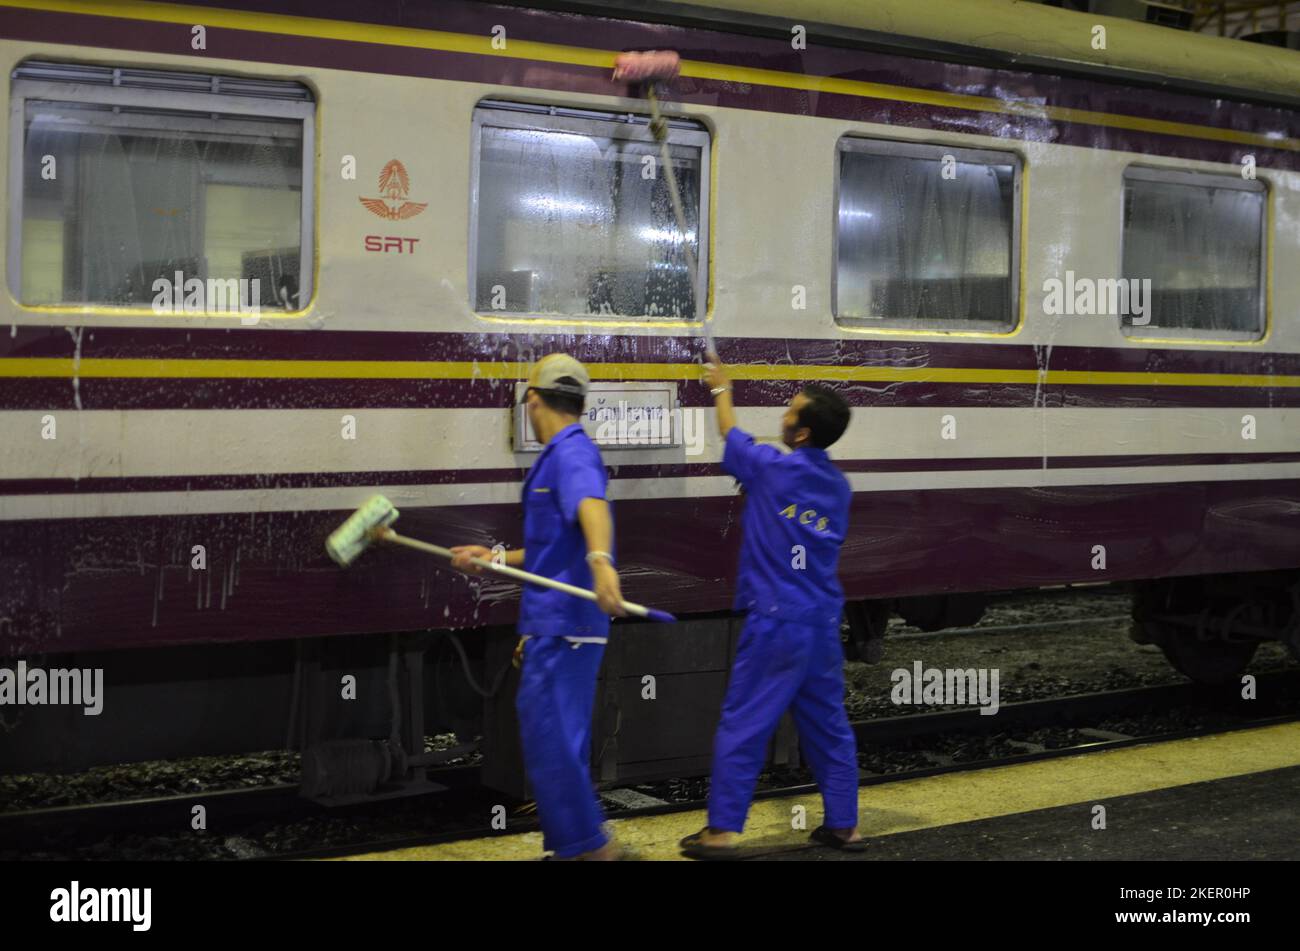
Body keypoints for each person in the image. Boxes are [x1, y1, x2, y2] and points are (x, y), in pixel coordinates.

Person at [681, 353, 865, 859]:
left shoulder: (769, 468)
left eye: (790, 411)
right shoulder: (838, 487)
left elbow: (730, 433)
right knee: (828, 725)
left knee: (744, 721)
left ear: (802, 433)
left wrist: (721, 387)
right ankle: (845, 826)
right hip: (822, 621)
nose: (783, 415)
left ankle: (721, 831)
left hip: (776, 622)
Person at [451, 353, 627, 861]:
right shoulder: (559, 455)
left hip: (569, 623)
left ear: (533, 399)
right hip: (554, 621)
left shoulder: (571, 453)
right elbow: (553, 547)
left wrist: (601, 561)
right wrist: (497, 558)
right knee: (548, 733)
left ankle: (590, 847)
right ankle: (579, 844)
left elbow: (592, 505)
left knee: (552, 737)